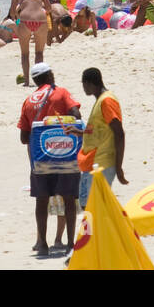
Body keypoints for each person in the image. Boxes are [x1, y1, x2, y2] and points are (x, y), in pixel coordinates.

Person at [17, 63, 82, 256]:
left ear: (36, 80)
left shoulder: (28, 100)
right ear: (50, 76)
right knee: (69, 199)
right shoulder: (61, 93)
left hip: (40, 160)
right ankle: (71, 244)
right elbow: (76, 115)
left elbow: (23, 138)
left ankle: (43, 245)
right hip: (64, 156)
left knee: (41, 201)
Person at [78, 67, 126, 209]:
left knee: (96, 208)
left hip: (102, 164)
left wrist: (118, 167)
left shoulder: (106, 101)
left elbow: (119, 133)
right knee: (87, 206)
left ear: (89, 83)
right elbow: (101, 131)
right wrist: (79, 132)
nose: (83, 88)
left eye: (83, 84)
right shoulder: (100, 100)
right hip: (92, 163)